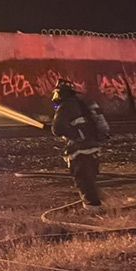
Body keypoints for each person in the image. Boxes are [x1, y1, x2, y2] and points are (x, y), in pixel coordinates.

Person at [48, 79, 108, 210]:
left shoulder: (66, 106)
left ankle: (94, 211)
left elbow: (57, 128)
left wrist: (74, 135)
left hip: (79, 150)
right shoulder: (83, 104)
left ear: (61, 93)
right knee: (90, 180)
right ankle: (97, 205)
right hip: (94, 148)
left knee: (83, 181)